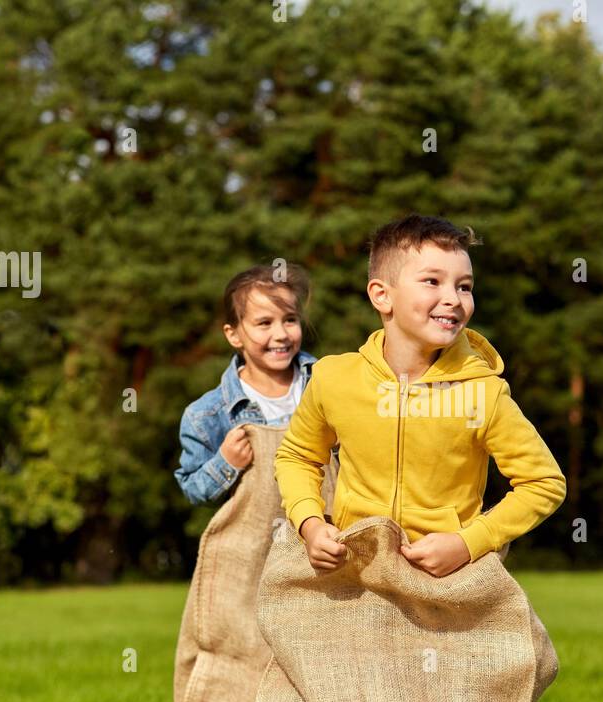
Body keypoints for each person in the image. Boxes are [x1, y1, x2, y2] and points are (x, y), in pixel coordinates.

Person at [275, 213, 566, 577]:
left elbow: (544, 483)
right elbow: (297, 457)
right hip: (356, 572)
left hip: (448, 577)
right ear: (382, 296)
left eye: (464, 286)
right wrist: (311, 524)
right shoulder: (333, 378)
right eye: (432, 281)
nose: (453, 299)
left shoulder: (484, 393)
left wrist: (469, 542)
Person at [175, 264, 317, 505]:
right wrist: (226, 462)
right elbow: (192, 489)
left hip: (327, 535)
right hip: (258, 540)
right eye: (264, 323)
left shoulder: (325, 383)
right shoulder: (206, 415)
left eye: (290, 320)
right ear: (234, 335)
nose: (281, 334)